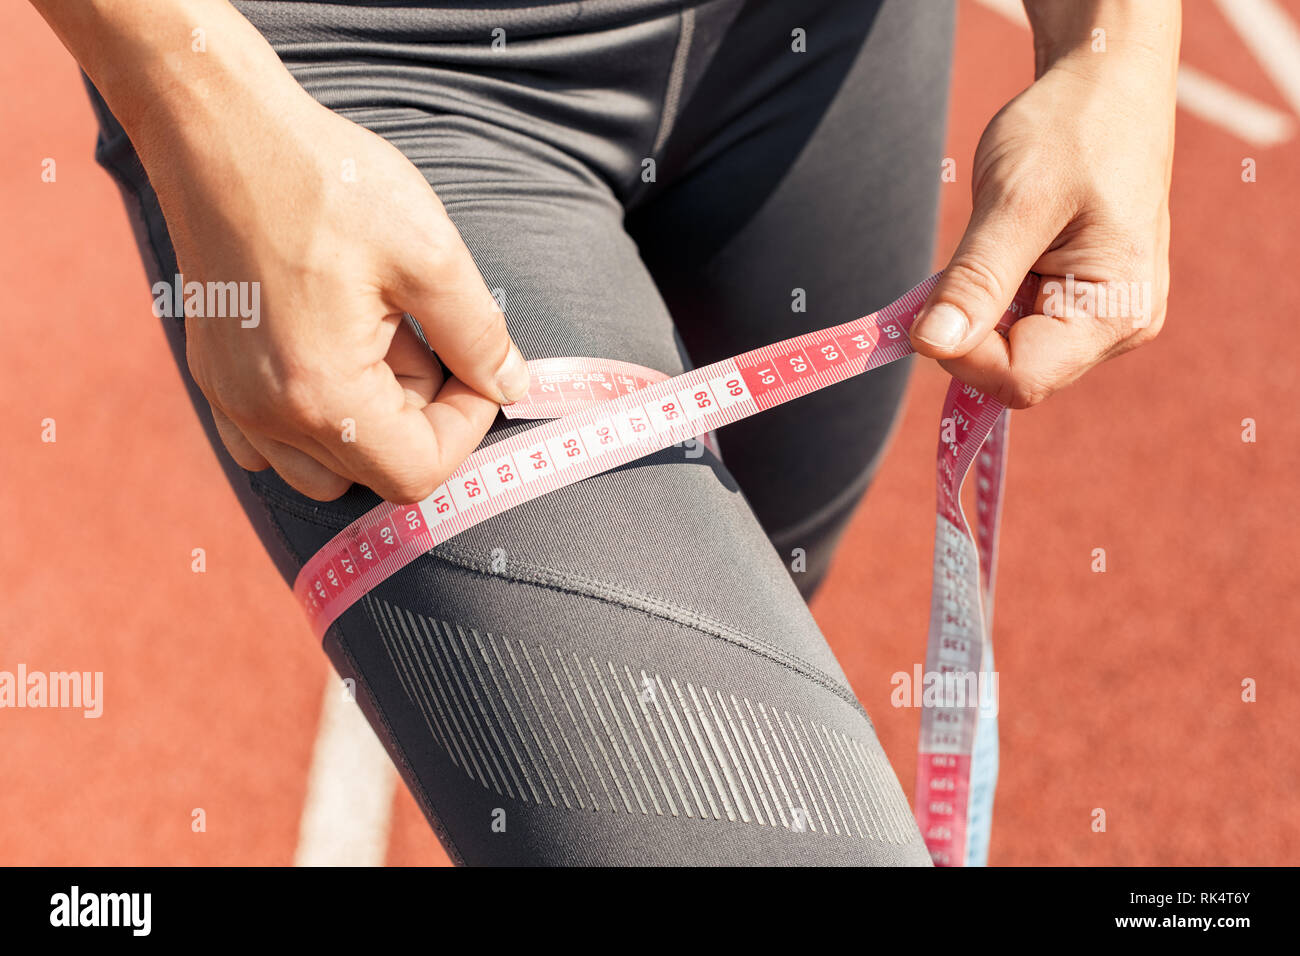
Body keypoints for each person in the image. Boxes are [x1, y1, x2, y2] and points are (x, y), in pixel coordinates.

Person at [30, 0, 1177, 865]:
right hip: (356, 81)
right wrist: (193, 94)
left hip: (831, 58)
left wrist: (1115, 51)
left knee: (753, 613)